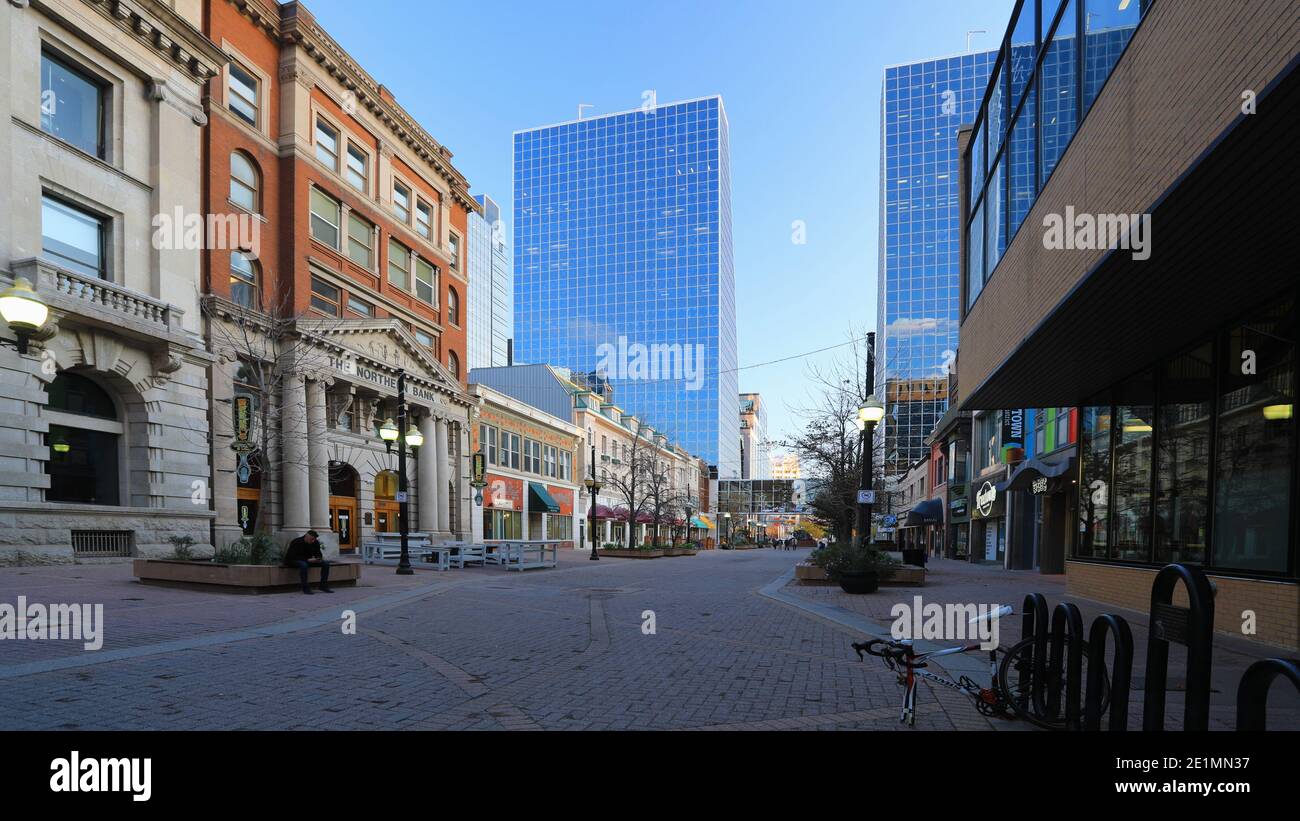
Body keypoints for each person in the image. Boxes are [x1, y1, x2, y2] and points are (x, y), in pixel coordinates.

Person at [283, 530, 333, 594]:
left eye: (314, 539)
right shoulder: (296, 542)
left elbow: (319, 554)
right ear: (306, 536)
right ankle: (306, 588)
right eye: (311, 539)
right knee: (304, 565)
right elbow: (292, 557)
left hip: (309, 561)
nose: (313, 541)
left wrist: (317, 559)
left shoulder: (315, 542)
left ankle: (323, 586)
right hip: (294, 561)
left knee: (326, 564)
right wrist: (307, 560)